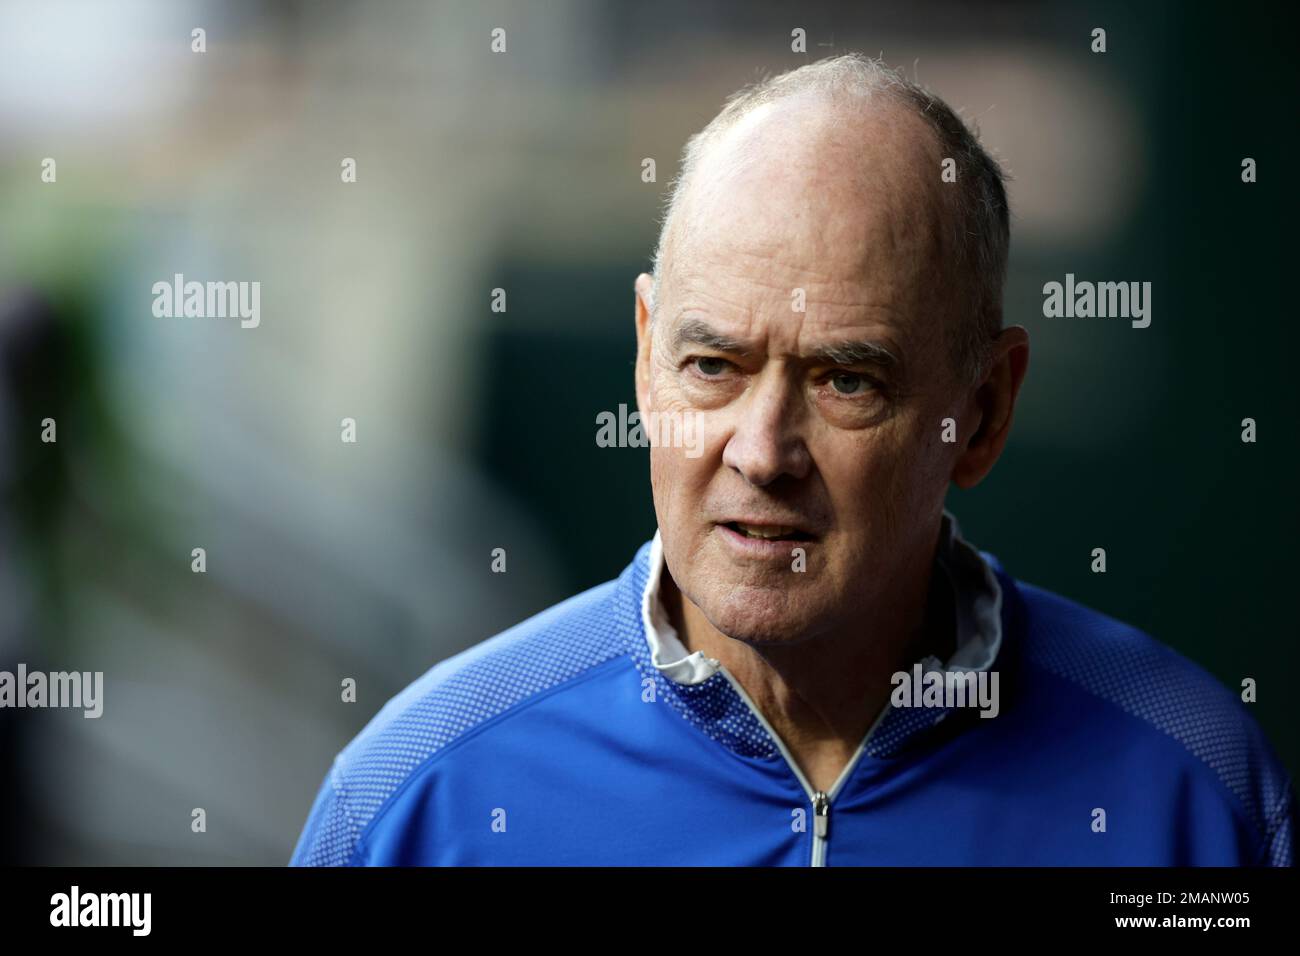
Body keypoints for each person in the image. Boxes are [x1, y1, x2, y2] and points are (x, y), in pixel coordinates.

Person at [290, 54, 1294, 866]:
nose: (761, 451)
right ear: (645, 360)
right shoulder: (419, 793)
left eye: (844, 380)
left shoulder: (1194, 789)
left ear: (981, 411)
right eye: (711, 364)